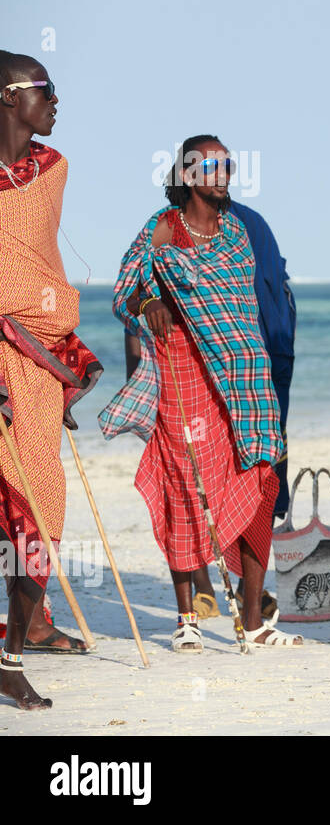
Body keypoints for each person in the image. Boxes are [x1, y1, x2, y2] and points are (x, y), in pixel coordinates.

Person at [99, 137, 301, 649]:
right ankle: (188, 617)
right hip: (184, 377)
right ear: (187, 175)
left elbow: (242, 308)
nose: (223, 173)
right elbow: (124, 290)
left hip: (247, 380)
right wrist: (149, 301)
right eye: (210, 165)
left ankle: (252, 624)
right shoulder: (162, 229)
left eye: (227, 164)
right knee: (185, 489)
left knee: (260, 483)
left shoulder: (237, 232)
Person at [0, 52, 102, 708]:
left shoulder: (51, 170)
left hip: (35, 358)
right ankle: (10, 658)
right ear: (9, 98)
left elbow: (40, 267)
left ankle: (28, 625)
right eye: (44, 89)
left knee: (41, 502)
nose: (56, 100)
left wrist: (59, 359)